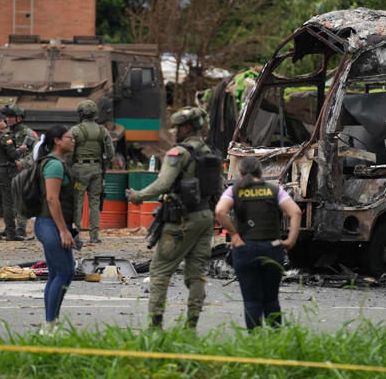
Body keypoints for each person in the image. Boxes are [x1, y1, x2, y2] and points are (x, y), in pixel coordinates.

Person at [126, 106, 220, 329]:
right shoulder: (211, 154)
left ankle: (155, 327)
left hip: (180, 220)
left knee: (159, 271)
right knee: (197, 275)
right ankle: (191, 327)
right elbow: (219, 188)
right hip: (205, 218)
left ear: (186, 128)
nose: (174, 131)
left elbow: (163, 184)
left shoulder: (177, 154)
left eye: (177, 127)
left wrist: (138, 196)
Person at [214, 156, 301, 330]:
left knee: (251, 300)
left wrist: (234, 235)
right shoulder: (274, 190)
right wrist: (291, 240)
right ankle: (275, 340)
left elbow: (220, 211)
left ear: (240, 173)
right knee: (271, 299)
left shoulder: (234, 190)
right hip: (272, 249)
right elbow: (296, 212)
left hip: (244, 250)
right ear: (260, 172)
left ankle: (255, 342)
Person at [33, 124, 77, 329]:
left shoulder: (57, 162)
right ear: (57, 141)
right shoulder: (54, 165)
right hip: (50, 225)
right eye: (69, 137)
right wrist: (63, 230)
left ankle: (52, 322)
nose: (73, 140)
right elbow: (52, 199)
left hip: (50, 224)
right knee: (64, 272)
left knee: (58, 273)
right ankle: (50, 324)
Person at [68, 100, 114, 244]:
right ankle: (94, 236)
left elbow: (69, 152)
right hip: (97, 170)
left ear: (81, 113)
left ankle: (76, 234)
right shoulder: (103, 130)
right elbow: (110, 152)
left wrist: (69, 167)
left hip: (79, 170)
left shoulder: (75, 130)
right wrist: (104, 164)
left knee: (78, 201)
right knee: (95, 202)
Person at [3, 104, 38, 238]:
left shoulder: (27, 133)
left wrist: (22, 163)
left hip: (21, 170)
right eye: (7, 116)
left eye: (11, 116)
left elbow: (35, 152)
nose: (8, 119)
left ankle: (21, 228)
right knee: (7, 200)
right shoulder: (5, 132)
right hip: (6, 170)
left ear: (19, 118)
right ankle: (10, 228)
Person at [0, 117, 23, 241]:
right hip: (3, 173)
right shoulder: (5, 138)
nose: (3, 121)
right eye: (0, 121)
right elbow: (13, 155)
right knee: (8, 203)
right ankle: (11, 233)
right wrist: (21, 149)